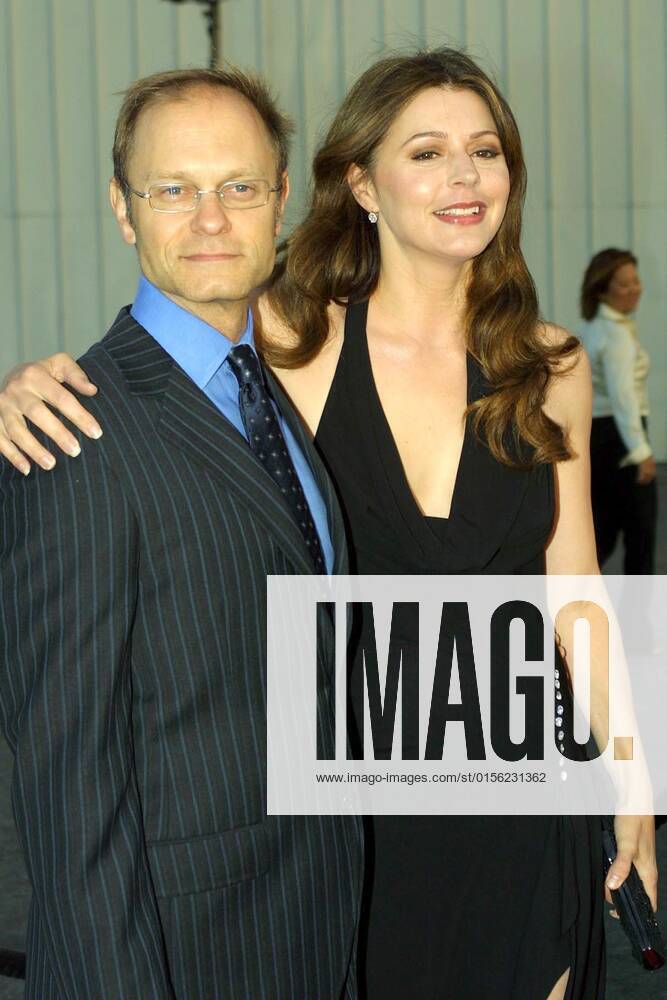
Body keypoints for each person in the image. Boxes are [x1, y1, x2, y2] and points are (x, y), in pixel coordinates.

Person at [0, 49, 658, 1000]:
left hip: (524, 798)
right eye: (426, 152)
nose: (463, 176)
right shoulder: (287, 341)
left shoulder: (549, 364)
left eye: (485, 152)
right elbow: (163, 367)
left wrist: (634, 780)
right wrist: (24, 389)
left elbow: (576, 592)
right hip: (362, 823)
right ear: (362, 185)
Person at [0, 68, 362, 999]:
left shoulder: (273, 392)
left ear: (281, 200)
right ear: (123, 210)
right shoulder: (73, 434)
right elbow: (69, 789)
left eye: (239, 186)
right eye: (172, 190)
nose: (210, 218)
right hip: (181, 954)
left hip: (315, 929)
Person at [578, 248, 657, 574]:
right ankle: (638, 607)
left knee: (603, 531)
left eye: (635, 281)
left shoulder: (594, 327)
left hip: (600, 435)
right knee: (640, 535)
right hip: (620, 438)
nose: (634, 289)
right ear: (601, 290)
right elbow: (623, 397)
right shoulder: (616, 335)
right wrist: (641, 451)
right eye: (624, 284)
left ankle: (570, 596)